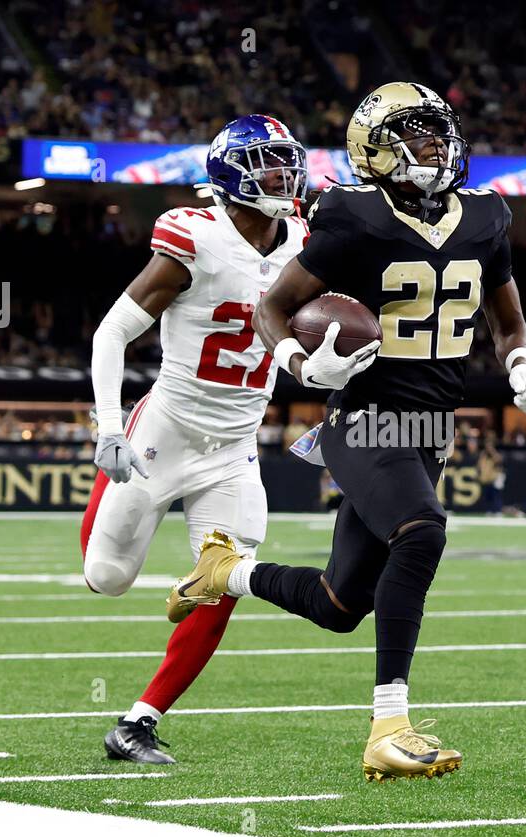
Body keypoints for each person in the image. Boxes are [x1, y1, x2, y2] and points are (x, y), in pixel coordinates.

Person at [166, 82, 526, 780]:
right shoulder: (353, 215)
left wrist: (520, 361)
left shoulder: (487, 217)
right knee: (422, 530)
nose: (433, 144)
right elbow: (274, 307)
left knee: (342, 604)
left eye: (438, 130)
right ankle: (389, 725)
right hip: (364, 419)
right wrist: (296, 362)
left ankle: (225, 570)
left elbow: (509, 318)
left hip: (432, 427)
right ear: (373, 152)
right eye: (414, 132)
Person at [82, 114, 314, 764]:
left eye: (285, 161)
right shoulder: (195, 237)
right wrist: (106, 428)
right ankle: (103, 494)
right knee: (106, 577)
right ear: (231, 172)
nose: (281, 174)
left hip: (235, 447)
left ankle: (138, 722)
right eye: (267, 162)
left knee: (223, 577)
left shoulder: (303, 238)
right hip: (165, 432)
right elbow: (110, 333)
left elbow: (311, 328)